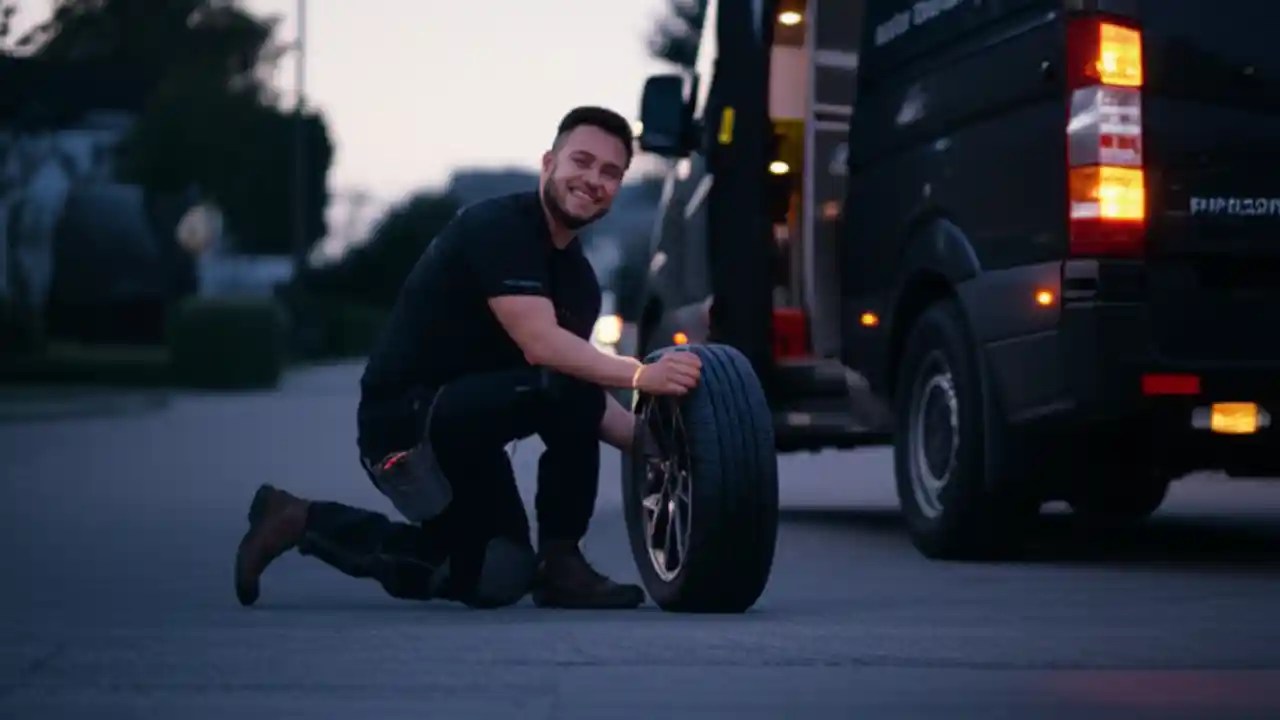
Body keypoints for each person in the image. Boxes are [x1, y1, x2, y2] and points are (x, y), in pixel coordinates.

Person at [234, 106, 703, 610]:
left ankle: (298, 519)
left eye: (610, 172)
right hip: (407, 426)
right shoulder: (498, 227)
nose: (593, 180)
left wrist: (667, 449)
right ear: (548, 163)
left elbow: (582, 402)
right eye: (581, 161)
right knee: (563, 380)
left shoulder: (579, 282)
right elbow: (543, 348)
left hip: (472, 438)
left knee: (497, 577)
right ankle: (563, 563)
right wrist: (642, 375)